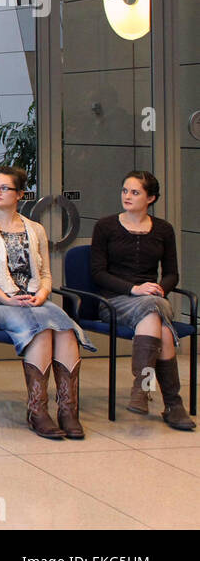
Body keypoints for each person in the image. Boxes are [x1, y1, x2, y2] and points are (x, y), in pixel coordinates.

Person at [0, 166, 94, 439]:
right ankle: (37, 411)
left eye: (4, 188)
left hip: (36, 299)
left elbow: (46, 274)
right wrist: (8, 299)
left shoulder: (35, 229)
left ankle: (68, 410)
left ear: (20, 194)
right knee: (42, 330)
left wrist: (43, 294)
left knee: (65, 329)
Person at [90, 170, 193, 430]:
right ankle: (172, 403)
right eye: (125, 190)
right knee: (164, 331)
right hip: (115, 300)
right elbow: (97, 273)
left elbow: (172, 274)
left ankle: (143, 389)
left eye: (135, 192)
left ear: (151, 198)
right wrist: (134, 289)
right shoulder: (105, 226)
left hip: (152, 299)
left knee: (153, 311)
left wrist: (159, 288)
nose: (127, 196)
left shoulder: (163, 230)